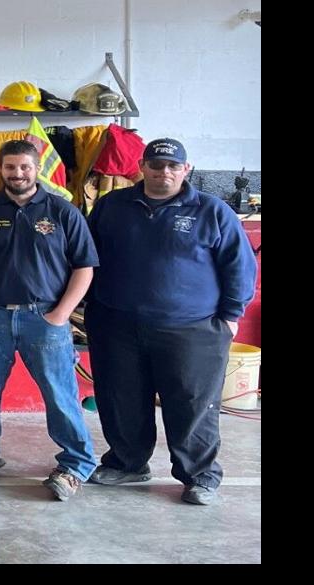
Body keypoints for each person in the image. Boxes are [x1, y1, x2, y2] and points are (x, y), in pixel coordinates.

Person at [84, 138, 258, 505]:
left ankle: (200, 475)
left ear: (186, 169)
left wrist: (230, 316)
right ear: (142, 167)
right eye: (157, 165)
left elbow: (240, 266)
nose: (165, 172)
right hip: (117, 325)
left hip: (192, 329)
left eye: (173, 166)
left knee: (192, 404)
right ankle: (128, 463)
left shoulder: (211, 211)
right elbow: (86, 258)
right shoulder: (112, 206)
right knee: (121, 398)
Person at [0, 139, 99, 502]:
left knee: (59, 392)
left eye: (24, 167)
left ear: (37, 169)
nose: (17, 174)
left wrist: (60, 315)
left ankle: (75, 464)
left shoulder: (62, 211)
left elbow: (84, 267)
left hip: (45, 317)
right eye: (10, 167)